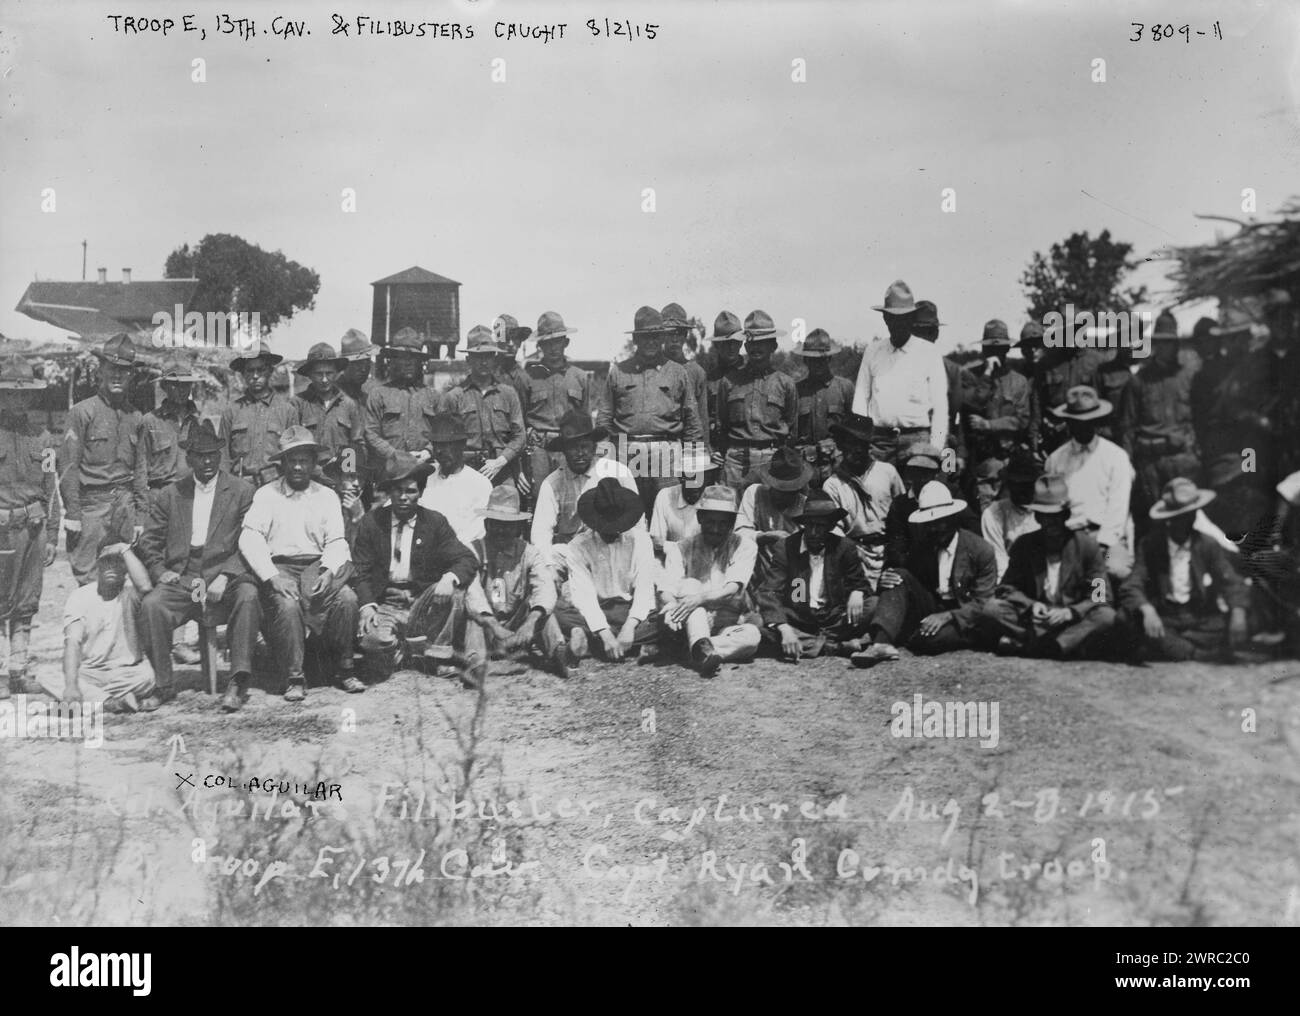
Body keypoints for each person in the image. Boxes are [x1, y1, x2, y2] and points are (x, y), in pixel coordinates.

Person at [138, 420, 262, 710]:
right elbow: (149, 541)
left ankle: (237, 683)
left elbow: (252, 540)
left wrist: (227, 574)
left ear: (220, 455)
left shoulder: (243, 490)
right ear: (189, 457)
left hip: (226, 576)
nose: (207, 461)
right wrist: (159, 570)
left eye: (213, 454)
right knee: (152, 605)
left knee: (248, 596)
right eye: (200, 455)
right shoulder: (171, 494)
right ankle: (164, 684)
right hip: (187, 579)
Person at [238, 426, 361, 701]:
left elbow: (337, 540)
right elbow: (249, 537)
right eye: (291, 460)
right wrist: (272, 576)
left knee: (347, 598)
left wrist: (329, 571)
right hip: (280, 566)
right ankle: (294, 676)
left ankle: (345, 668)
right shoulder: (267, 494)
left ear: (314, 463)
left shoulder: (326, 496)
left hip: (317, 565)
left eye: (303, 460)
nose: (297, 466)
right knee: (288, 603)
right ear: (281, 463)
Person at [354, 453, 483, 680]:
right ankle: (408, 653)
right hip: (386, 602)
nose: (403, 497)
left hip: (422, 602)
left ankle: (437, 658)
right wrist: (366, 605)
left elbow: (466, 559)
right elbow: (361, 570)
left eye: (411, 491)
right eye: (398, 490)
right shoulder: (372, 522)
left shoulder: (434, 522)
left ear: (421, 493)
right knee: (372, 640)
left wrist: (449, 578)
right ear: (389, 492)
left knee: (456, 589)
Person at [852, 480, 998, 666]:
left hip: (961, 612)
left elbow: (983, 602)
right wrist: (887, 580)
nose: (934, 529)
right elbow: (910, 584)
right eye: (929, 523)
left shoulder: (980, 550)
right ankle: (882, 643)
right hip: (932, 605)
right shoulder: (924, 545)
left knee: (926, 641)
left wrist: (948, 616)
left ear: (953, 519)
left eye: (940, 522)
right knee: (899, 575)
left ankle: (963, 637)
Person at [977, 475, 1116, 659]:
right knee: (992, 609)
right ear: (1037, 517)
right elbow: (1006, 588)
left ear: (1066, 515)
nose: (1051, 524)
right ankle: (1057, 646)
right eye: (1045, 517)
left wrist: (1071, 612)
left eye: (1056, 517)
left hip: (1071, 621)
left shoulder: (1087, 546)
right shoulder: (1024, 545)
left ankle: (1048, 645)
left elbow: (1100, 595)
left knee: (1105, 616)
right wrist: (1032, 606)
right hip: (1037, 620)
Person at [1117, 478, 1250, 662]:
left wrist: (1238, 612)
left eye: (1191, 515)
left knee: (1241, 619)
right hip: (1166, 615)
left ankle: (1173, 647)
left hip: (1199, 617)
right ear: (1168, 520)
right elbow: (1132, 584)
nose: (1187, 521)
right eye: (1180, 517)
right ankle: (1196, 653)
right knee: (1128, 619)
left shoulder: (1206, 544)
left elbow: (1230, 580)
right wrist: (1147, 609)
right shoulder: (1150, 545)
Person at [597, 306, 704, 518]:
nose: (651, 342)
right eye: (645, 338)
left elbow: (693, 424)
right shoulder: (619, 371)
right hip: (628, 452)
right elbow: (604, 420)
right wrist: (604, 465)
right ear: (636, 339)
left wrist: (694, 472)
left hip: (667, 452)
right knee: (628, 514)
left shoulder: (677, 372)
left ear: (662, 338)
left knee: (669, 512)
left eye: (656, 337)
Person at [61, 334, 143, 586]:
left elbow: (140, 470)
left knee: (120, 578)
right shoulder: (82, 412)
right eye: (112, 369)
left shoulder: (136, 416)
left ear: (131, 376)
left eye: (124, 371)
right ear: (101, 371)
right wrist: (73, 513)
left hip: (125, 506)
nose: (117, 376)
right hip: (92, 506)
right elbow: (68, 468)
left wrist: (140, 516)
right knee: (88, 579)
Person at [464, 485, 569, 678]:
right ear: (487, 524)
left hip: (518, 627)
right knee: (473, 616)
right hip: (488, 626)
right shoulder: (473, 550)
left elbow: (544, 587)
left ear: (518, 528)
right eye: (496, 524)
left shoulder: (529, 553)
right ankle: (477, 663)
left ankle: (558, 652)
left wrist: (530, 621)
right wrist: (494, 626)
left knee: (544, 610)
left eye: (508, 525)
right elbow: (473, 592)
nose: (502, 531)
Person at [657, 485, 762, 677]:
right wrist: (673, 605)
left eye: (723, 523)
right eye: (710, 522)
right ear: (700, 519)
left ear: (731, 523)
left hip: (727, 623)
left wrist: (699, 599)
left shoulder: (745, 546)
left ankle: (700, 650)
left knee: (752, 635)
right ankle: (701, 647)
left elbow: (731, 589)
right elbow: (666, 588)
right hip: (691, 619)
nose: (715, 529)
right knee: (691, 588)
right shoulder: (681, 548)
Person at [0, 358, 59, 697]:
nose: (17, 401)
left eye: (24, 396)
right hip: (2, 530)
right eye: (10, 394)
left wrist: (52, 534)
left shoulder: (43, 437)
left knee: (27, 601)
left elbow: (51, 490)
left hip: (33, 531)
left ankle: (18, 670)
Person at [552, 478, 659, 661]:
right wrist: (605, 633)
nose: (610, 530)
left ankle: (591, 643)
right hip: (594, 611)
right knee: (554, 608)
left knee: (666, 616)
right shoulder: (578, 546)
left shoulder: (640, 540)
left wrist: (629, 627)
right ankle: (627, 645)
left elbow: (644, 590)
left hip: (628, 610)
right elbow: (584, 597)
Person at [756, 490, 872, 660]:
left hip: (835, 619)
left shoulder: (844, 547)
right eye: (809, 525)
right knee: (756, 622)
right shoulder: (787, 547)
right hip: (798, 617)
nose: (814, 532)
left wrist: (858, 592)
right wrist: (784, 628)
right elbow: (769, 591)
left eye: (821, 526)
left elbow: (860, 583)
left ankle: (808, 643)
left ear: (831, 527)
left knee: (874, 604)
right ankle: (834, 647)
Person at [45, 542, 159, 711]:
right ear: (98, 565)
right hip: (90, 671)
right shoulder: (80, 596)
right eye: (106, 562)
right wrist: (71, 685)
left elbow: (145, 585)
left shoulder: (130, 594)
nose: (111, 567)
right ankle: (109, 702)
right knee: (46, 675)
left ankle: (86, 699)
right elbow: (72, 642)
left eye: (118, 562)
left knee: (148, 677)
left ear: (126, 569)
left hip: (125, 672)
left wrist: (124, 550)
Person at [851, 281, 948, 464]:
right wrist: (861, 444)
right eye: (892, 317)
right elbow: (861, 400)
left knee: (917, 491)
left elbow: (940, 408)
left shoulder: (929, 353)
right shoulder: (873, 351)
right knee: (875, 489)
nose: (897, 323)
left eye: (903, 318)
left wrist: (934, 449)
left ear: (912, 319)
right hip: (879, 442)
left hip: (918, 441)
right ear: (885, 319)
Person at [1043, 385, 1135, 579]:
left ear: (1097, 422)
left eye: (1089, 422)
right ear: (1068, 422)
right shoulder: (1055, 460)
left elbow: (1118, 508)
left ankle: (1101, 605)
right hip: (1068, 537)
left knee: (1114, 569)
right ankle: (1080, 607)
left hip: (1105, 536)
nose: (1083, 426)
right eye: (1076, 422)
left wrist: (1101, 544)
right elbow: (1052, 509)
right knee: (1056, 575)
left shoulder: (1115, 456)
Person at [1124, 311, 1199, 531]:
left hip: (1183, 460)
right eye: (1161, 343)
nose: (1166, 348)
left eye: (1170, 343)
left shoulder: (1189, 376)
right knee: (1153, 521)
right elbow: (1127, 426)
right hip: (1150, 464)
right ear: (1155, 345)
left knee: (1187, 520)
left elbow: (1200, 419)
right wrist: (1129, 465)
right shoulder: (1139, 381)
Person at [531, 410, 638, 561]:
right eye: (572, 447)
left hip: (611, 550)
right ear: (564, 451)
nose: (579, 453)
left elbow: (636, 524)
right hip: (570, 553)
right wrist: (547, 567)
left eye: (584, 446)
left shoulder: (618, 473)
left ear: (594, 448)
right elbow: (541, 533)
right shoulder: (552, 483)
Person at [715, 310, 798, 488]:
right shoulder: (729, 381)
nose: (755, 347)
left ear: (773, 346)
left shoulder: (785, 383)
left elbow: (792, 427)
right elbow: (722, 424)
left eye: (762, 342)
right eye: (751, 342)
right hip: (736, 460)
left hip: (771, 459)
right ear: (745, 346)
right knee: (732, 510)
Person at [821, 413, 903, 589]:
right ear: (842, 445)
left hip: (889, 552)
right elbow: (835, 533)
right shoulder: (833, 484)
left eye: (862, 444)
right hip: (855, 556)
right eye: (850, 443)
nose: (857, 450)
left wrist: (894, 560)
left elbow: (902, 516)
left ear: (869, 446)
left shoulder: (887, 472)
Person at [520, 311, 591, 505]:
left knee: (572, 498)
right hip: (538, 450)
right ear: (540, 346)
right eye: (547, 343)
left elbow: (586, 422)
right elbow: (519, 421)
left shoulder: (579, 377)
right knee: (539, 498)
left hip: (569, 448)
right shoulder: (527, 377)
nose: (553, 348)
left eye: (557, 342)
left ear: (566, 343)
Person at [442, 325, 525, 484]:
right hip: (465, 470)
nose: (484, 362)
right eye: (477, 356)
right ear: (468, 360)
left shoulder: (508, 394)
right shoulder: (454, 397)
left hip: (501, 468)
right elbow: (445, 439)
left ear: (494, 359)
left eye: (488, 356)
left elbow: (519, 436)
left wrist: (500, 461)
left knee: (506, 504)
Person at [219, 344, 298, 488]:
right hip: (240, 487)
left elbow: (294, 456)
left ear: (270, 371)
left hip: (275, 487)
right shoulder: (231, 411)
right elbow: (223, 458)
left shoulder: (287, 411)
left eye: (260, 370)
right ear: (243, 374)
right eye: (250, 370)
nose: (255, 376)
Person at [364, 326, 442, 469]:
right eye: (402, 358)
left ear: (420, 362)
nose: (408, 363)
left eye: (413, 358)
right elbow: (371, 433)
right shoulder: (379, 394)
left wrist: (428, 452)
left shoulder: (433, 395)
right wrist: (395, 455)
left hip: (425, 466)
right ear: (392, 361)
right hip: (390, 468)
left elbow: (442, 431)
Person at [912, 301, 973, 471]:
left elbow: (955, 417)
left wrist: (958, 455)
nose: (924, 337)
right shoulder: (901, 367)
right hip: (908, 447)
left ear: (936, 333)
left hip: (942, 444)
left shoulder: (951, 370)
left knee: (941, 489)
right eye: (919, 332)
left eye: (928, 332)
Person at [962, 319, 1032, 470]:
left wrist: (989, 425)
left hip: (1008, 457)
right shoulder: (970, 376)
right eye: (990, 349)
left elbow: (1023, 420)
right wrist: (987, 373)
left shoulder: (1019, 381)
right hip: (977, 458)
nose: (994, 353)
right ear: (983, 350)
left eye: (999, 348)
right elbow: (968, 408)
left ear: (1007, 349)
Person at [417, 414, 493, 550]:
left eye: (446, 445)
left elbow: (475, 532)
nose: (439, 451)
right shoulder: (426, 478)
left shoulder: (479, 484)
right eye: (436, 445)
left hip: (462, 556)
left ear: (462, 445)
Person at [792, 328, 856, 485]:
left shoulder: (845, 388)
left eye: (822, 359)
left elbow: (854, 431)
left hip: (836, 466)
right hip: (805, 469)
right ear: (805, 360)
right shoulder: (796, 391)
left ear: (830, 358)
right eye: (812, 359)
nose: (817, 364)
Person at [735, 446, 812, 573]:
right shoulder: (755, 493)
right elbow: (739, 534)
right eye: (781, 490)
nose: (785, 495)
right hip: (759, 568)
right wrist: (765, 537)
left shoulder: (804, 502)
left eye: (791, 491)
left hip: (795, 570)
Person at [135, 360, 202, 501]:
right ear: (164, 386)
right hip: (160, 496)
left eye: (186, 384)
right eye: (175, 385)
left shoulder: (199, 422)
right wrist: (142, 510)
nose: (181, 390)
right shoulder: (150, 421)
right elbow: (140, 469)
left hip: (193, 495)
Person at [292, 342, 364, 470]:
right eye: (319, 374)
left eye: (329, 373)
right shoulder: (297, 404)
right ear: (309, 374)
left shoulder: (348, 404)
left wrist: (347, 469)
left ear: (336, 373)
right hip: (308, 477)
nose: (324, 379)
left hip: (340, 475)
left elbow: (357, 444)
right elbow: (292, 446)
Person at [647, 445, 719, 557]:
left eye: (700, 476)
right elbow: (657, 542)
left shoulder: (718, 498)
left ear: (708, 477)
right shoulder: (665, 496)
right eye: (690, 477)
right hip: (672, 562)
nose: (695, 482)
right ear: (681, 477)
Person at [335, 328, 380, 498]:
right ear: (344, 365)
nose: (363, 368)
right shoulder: (334, 400)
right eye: (357, 363)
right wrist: (349, 480)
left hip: (365, 485)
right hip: (339, 483)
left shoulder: (369, 400)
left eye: (367, 362)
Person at [980, 454, 1041, 579]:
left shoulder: (1047, 509)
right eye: (1017, 485)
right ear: (1009, 485)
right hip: (1011, 578)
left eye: (1027, 485)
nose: (1023, 491)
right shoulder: (994, 513)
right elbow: (998, 557)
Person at [661, 302, 710, 450]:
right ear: (662, 335)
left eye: (679, 333)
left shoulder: (696, 371)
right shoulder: (653, 370)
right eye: (670, 333)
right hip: (661, 446)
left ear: (685, 335)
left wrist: (704, 450)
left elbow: (702, 417)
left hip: (689, 446)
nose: (675, 339)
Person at [704, 311, 746, 453]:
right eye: (726, 343)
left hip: (743, 452)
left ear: (741, 342)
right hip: (716, 451)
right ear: (716, 345)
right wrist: (709, 451)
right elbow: (701, 421)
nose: (731, 347)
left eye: (735, 342)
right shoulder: (708, 380)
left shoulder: (751, 376)